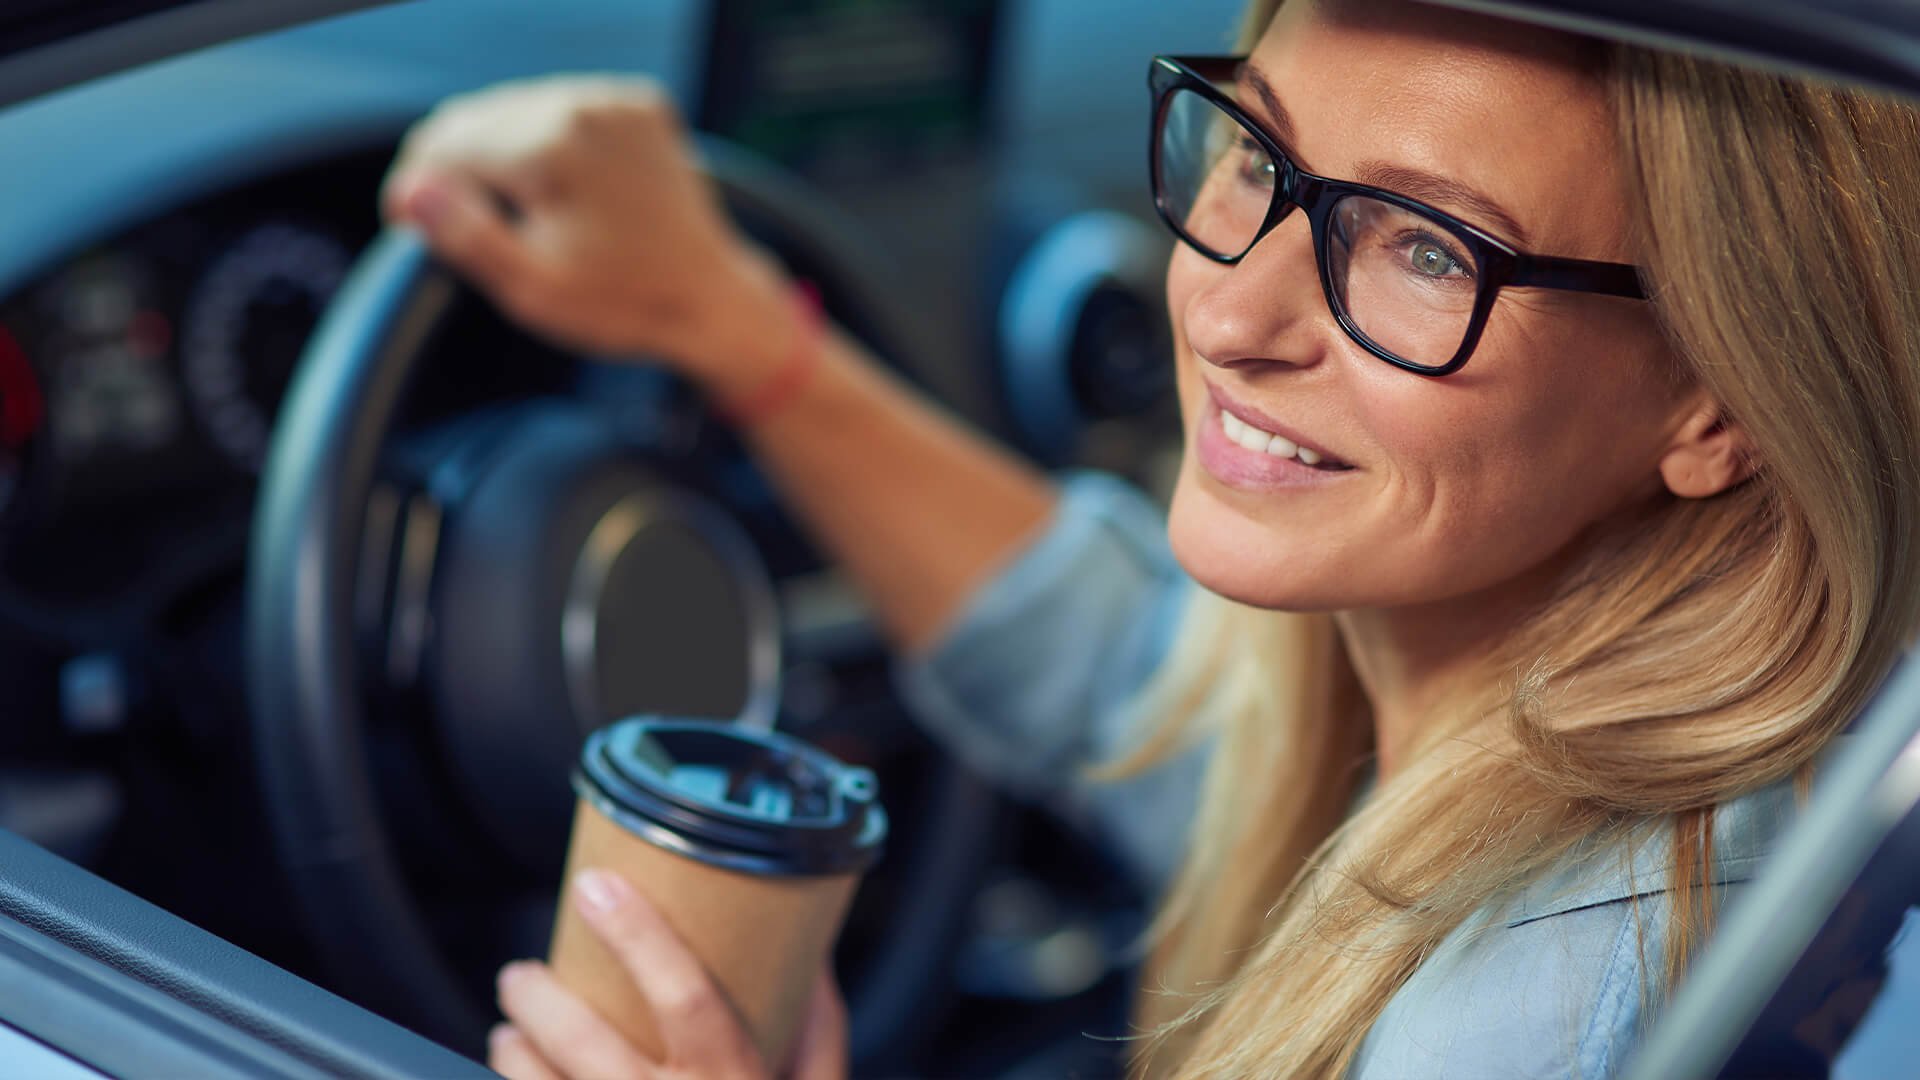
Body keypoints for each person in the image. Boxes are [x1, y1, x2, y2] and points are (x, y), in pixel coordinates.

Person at [382, 0, 1920, 1075]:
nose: (1232, 311)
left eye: (1429, 249)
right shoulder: (1456, 702)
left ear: (1718, 403)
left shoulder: (1535, 1011)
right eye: (1255, 155)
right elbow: (1135, 681)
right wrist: (725, 324)